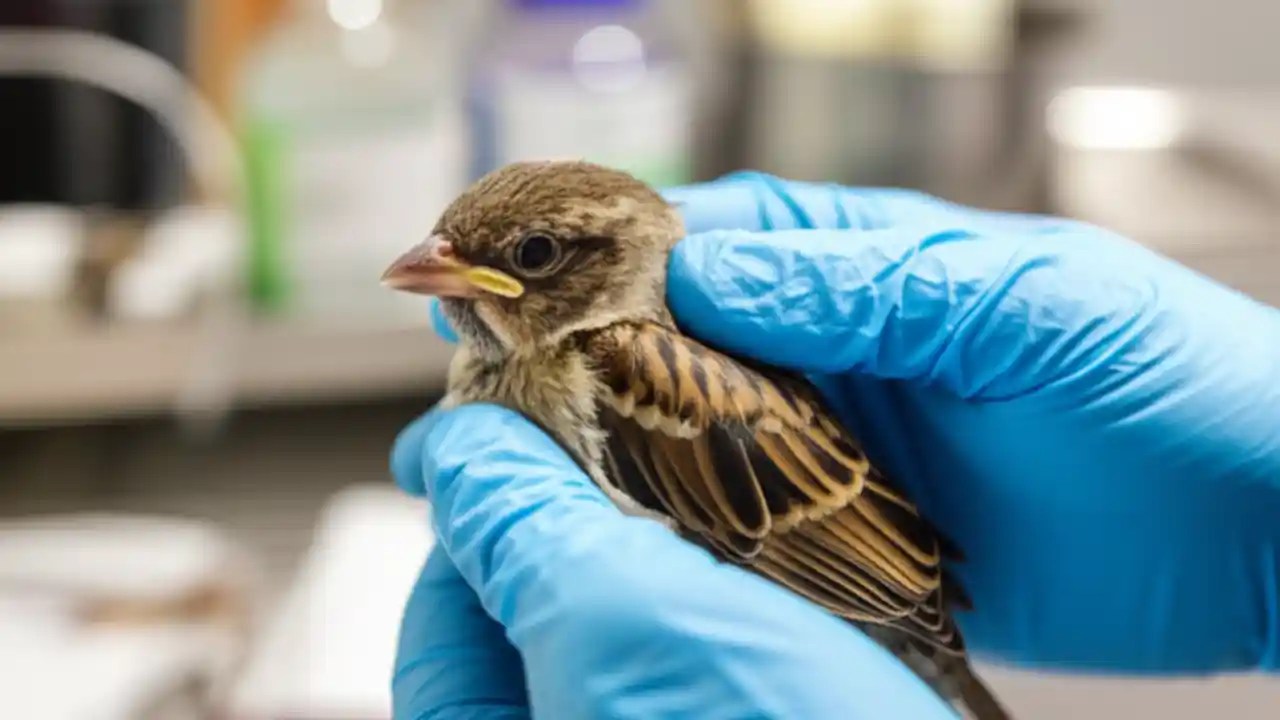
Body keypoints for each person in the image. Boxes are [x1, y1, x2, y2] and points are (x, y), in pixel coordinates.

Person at [389, 173, 1280, 719]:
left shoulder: (615, 358)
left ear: (604, 262)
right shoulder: (552, 355)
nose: (436, 270)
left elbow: (766, 539)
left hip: (841, 583)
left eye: (537, 252)